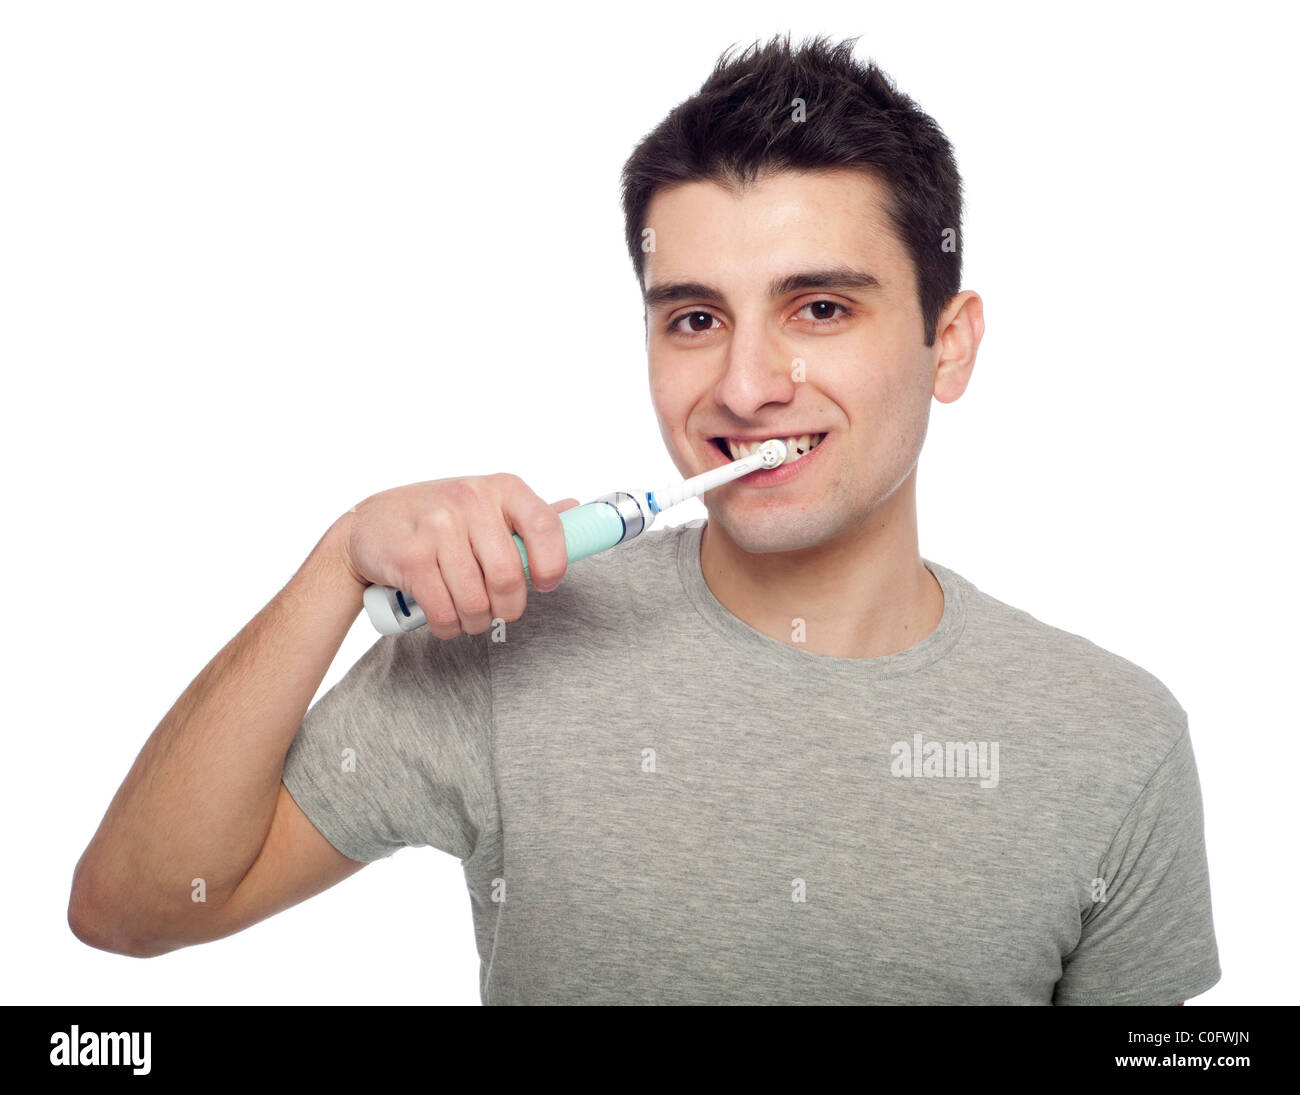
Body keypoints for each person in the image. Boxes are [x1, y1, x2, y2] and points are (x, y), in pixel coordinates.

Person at [68, 33, 1221, 1005]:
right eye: (692, 318)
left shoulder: (1113, 735)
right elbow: (130, 911)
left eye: (819, 307)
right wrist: (333, 566)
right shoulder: (509, 643)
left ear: (948, 342)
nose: (746, 385)